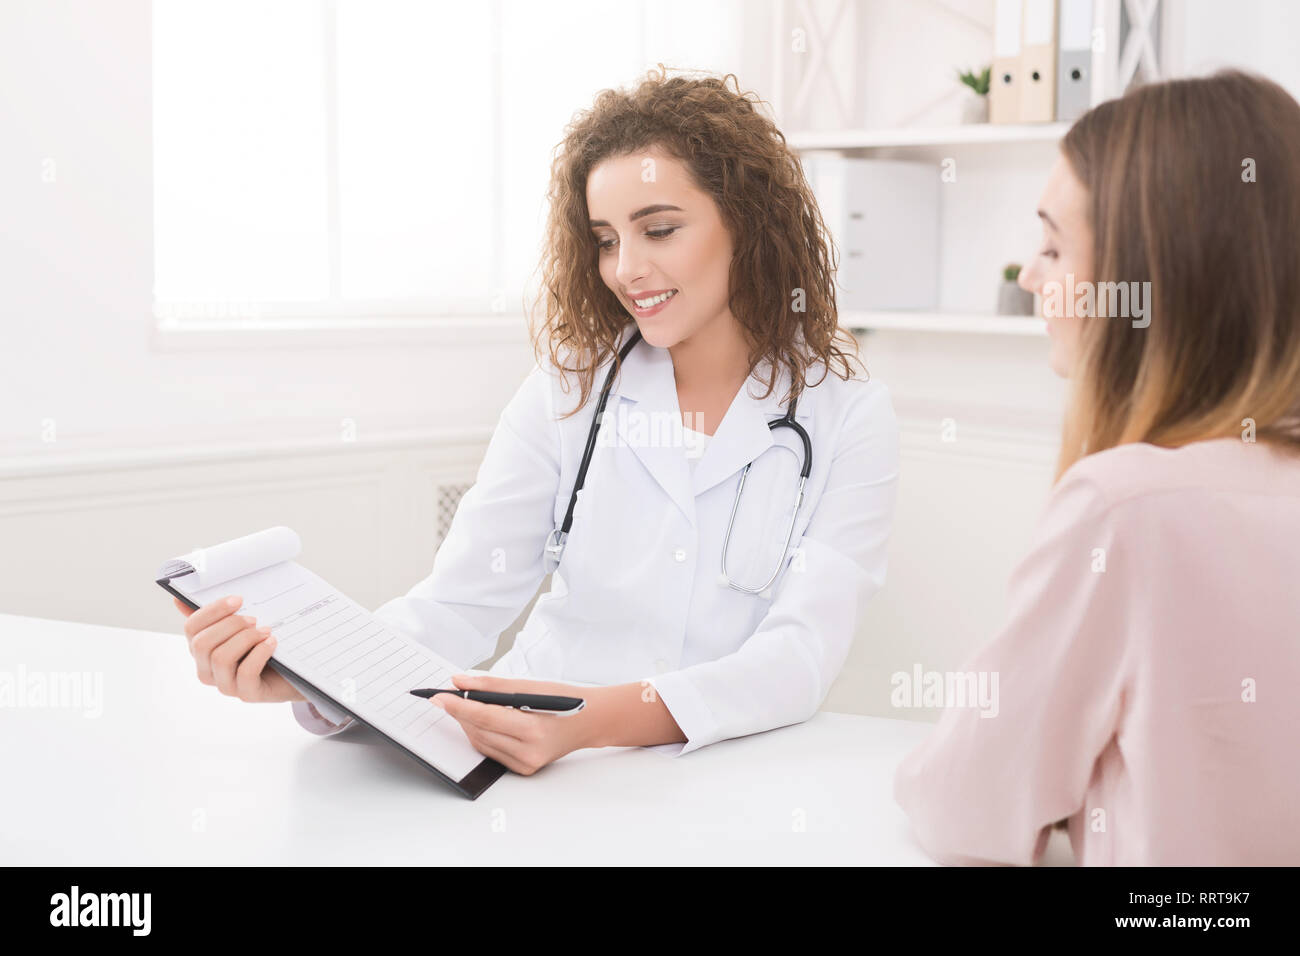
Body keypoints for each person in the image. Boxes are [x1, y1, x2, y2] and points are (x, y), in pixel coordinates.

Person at [175, 67, 900, 775]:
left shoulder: (847, 415)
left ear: (748, 223)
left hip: (721, 769)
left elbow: (799, 657)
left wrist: (592, 721)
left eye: (660, 229)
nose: (626, 269)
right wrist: (318, 680)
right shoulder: (569, 388)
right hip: (536, 768)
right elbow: (457, 602)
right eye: (608, 239)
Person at [894, 69, 1300, 865]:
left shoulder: (1126, 510)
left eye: (1052, 245)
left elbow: (965, 808)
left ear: (1153, 283)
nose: (1029, 277)